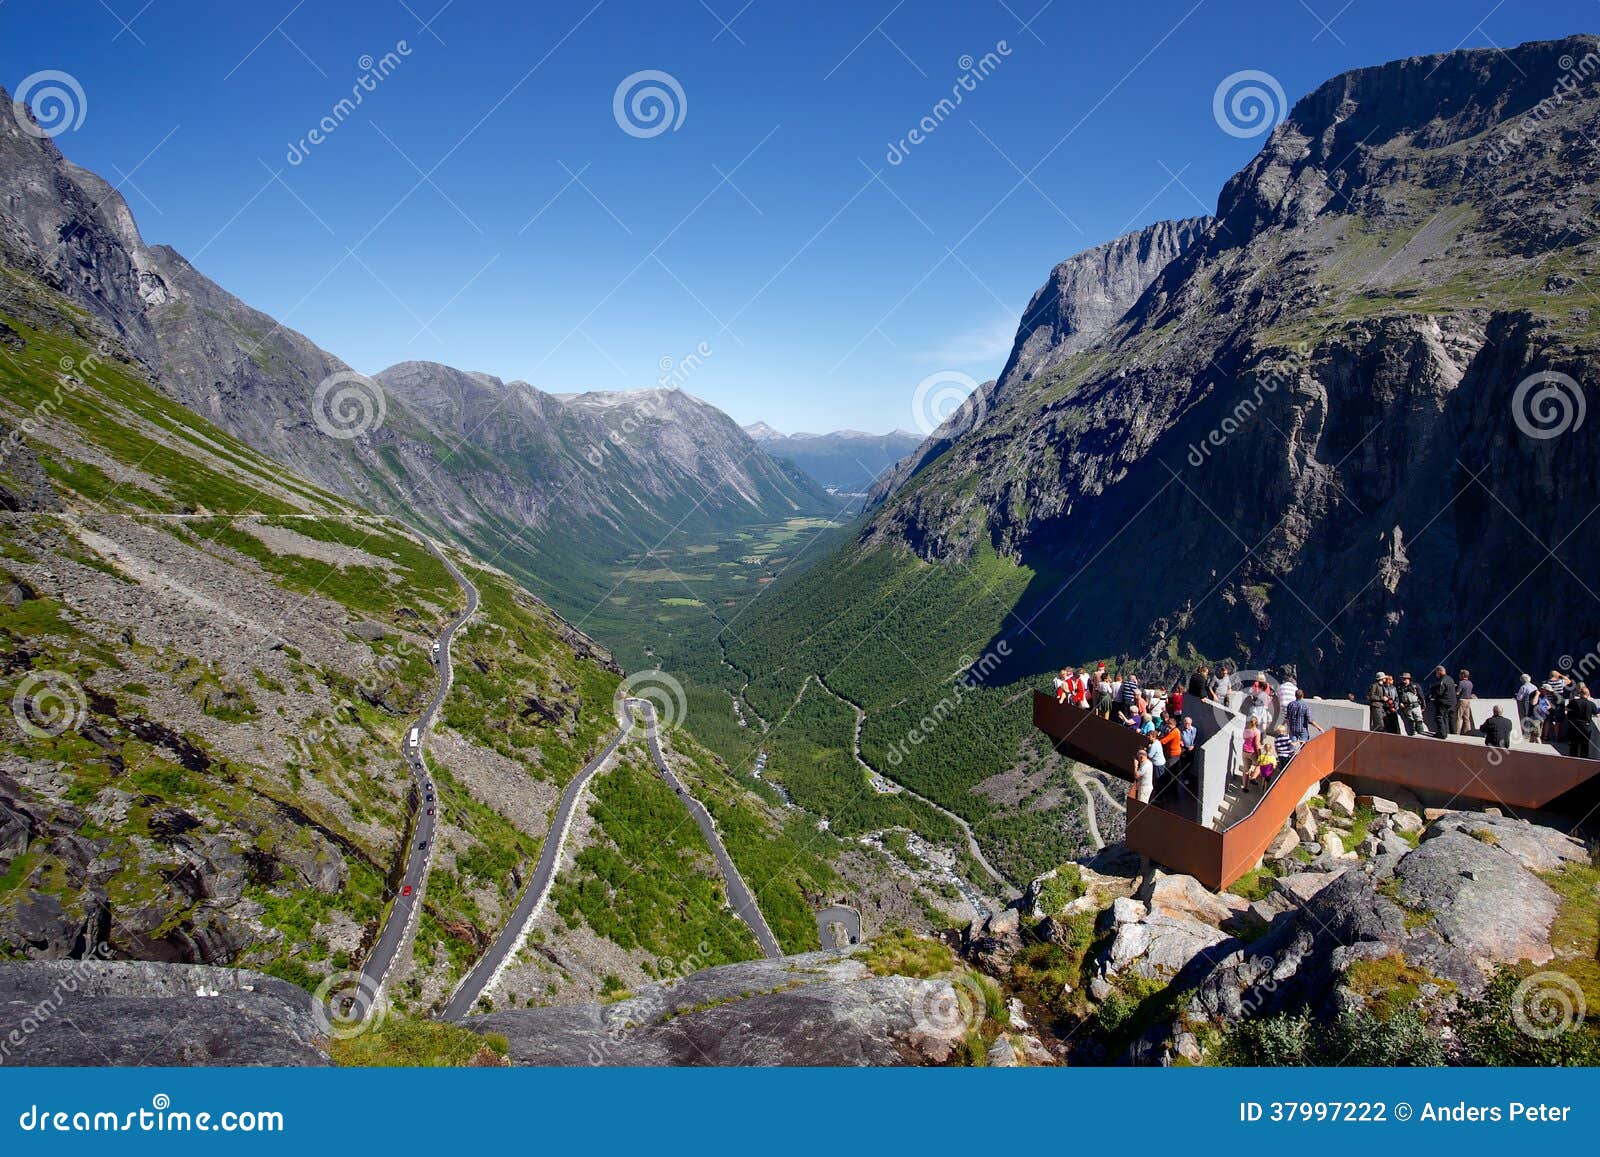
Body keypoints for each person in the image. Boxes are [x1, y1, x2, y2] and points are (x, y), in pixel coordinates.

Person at [1566, 683, 1597, 758]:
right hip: (1586, 726)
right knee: (1585, 744)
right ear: (1588, 694)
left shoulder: (1574, 702)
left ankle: (1573, 758)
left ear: (1579, 693)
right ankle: (1584, 759)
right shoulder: (1591, 704)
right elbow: (1596, 714)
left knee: (1574, 744)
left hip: (1575, 726)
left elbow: (1567, 709)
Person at [1428, 665, 1458, 737]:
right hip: (1452, 702)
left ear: (1440, 671)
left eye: (1437, 672)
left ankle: (1442, 734)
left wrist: (1432, 691)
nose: (1436, 674)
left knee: (1439, 717)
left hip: (1443, 702)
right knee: (1447, 717)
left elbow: (1439, 692)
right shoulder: (1450, 679)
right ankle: (1451, 732)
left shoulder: (1442, 681)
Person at [1455, 668, 1476, 735]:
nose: (1459, 675)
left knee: (1459, 717)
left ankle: (1457, 732)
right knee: (1467, 718)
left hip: (1462, 701)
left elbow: (1458, 693)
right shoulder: (1470, 683)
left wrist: (1454, 687)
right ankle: (1467, 732)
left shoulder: (1461, 683)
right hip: (1468, 701)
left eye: (1460, 674)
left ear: (1463, 675)